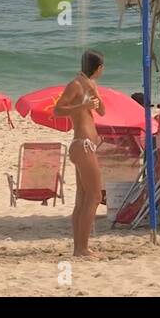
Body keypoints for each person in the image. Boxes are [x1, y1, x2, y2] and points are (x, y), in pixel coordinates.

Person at [53, 50, 106, 257]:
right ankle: (82, 248)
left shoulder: (89, 85)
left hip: (85, 146)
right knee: (95, 195)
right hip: (82, 144)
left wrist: (95, 92)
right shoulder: (75, 84)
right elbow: (58, 110)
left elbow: (102, 111)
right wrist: (82, 105)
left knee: (83, 199)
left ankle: (79, 248)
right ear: (99, 68)